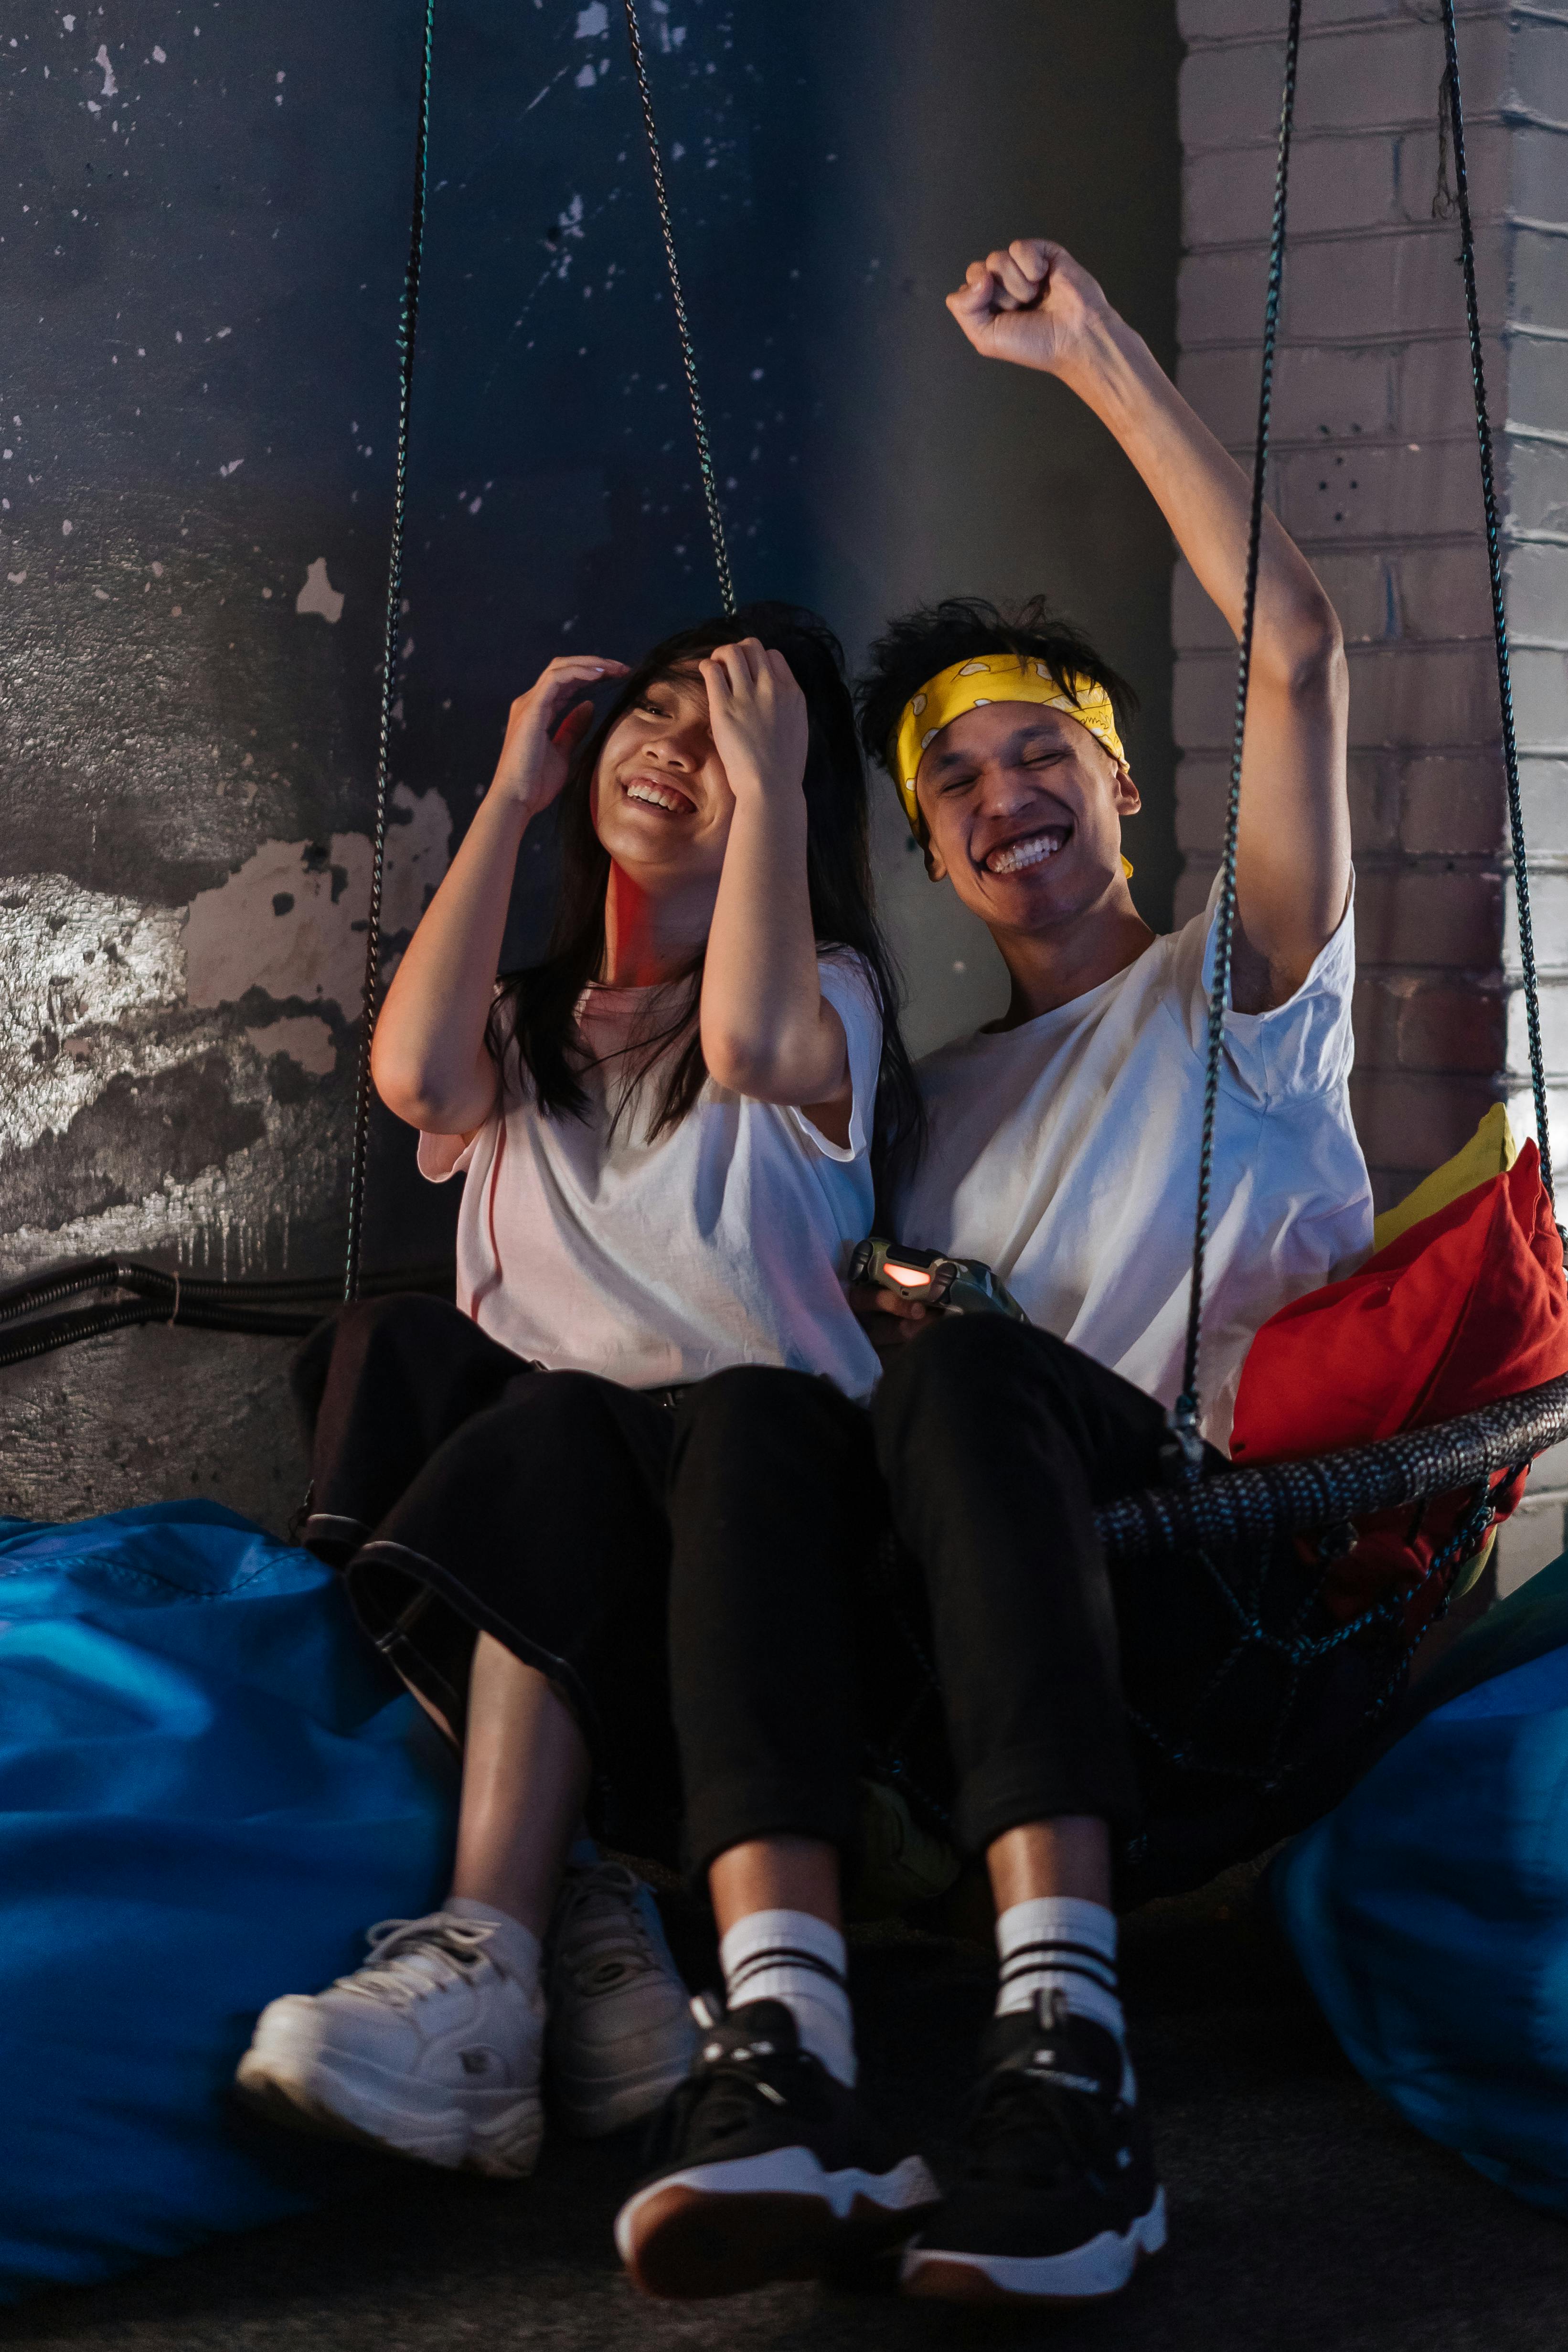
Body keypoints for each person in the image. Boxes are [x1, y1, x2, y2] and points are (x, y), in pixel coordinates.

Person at [612, 238, 1372, 2308]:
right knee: (762, 1406)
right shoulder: (918, 1103)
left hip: (1218, 1623)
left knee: (966, 1371)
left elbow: (1296, 652)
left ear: (1123, 784)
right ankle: (788, 2048)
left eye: (1038, 747)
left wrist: (1089, 354)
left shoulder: (1243, 992)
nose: (995, 792)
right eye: (949, 779)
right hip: (977, 1661)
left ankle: (1072, 2057)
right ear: (933, 858)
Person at [233, 604, 925, 2202]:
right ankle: (589, 1898)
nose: (679, 748)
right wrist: (509, 796)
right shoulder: (522, 1026)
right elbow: (413, 1080)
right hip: (542, 1500)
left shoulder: (825, 999)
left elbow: (749, 1046)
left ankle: (486, 1963)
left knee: (547, 1430)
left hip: (750, 1503)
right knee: (392, 1350)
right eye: (659, 715)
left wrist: (774, 777)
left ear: (785, 796)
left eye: (735, 730)